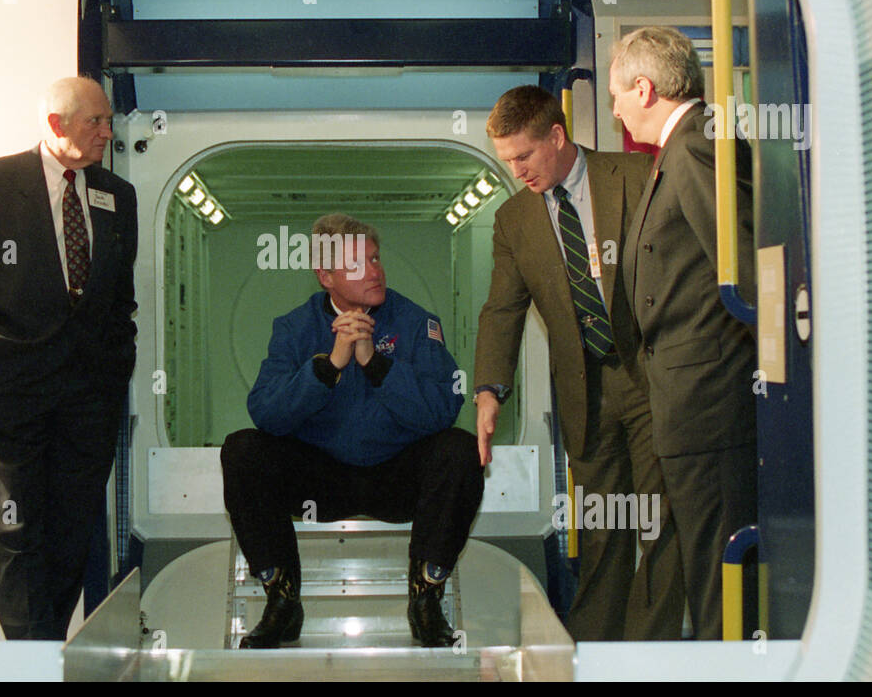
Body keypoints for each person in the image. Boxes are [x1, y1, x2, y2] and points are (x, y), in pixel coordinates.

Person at [473, 85, 685, 641]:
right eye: (506, 161)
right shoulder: (514, 220)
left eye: (524, 156)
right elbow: (502, 310)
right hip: (584, 393)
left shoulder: (637, 178)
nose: (516, 171)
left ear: (557, 136)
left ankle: (648, 655)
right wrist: (489, 391)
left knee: (659, 526)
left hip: (647, 379)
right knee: (601, 533)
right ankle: (591, 652)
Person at [221, 214, 483, 647]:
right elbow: (267, 414)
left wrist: (376, 363)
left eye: (376, 259)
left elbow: (442, 410)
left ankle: (425, 599)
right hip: (320, 483)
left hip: (397, 481)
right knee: (243, 450)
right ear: (325, 276)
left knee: (459, 450)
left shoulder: (418, 323)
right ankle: (281, 602)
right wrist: (329, 366)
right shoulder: (293, 327)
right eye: (359, 264)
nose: (375, 271)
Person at [0, 76, 137, 640]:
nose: (107, 132)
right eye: (95, 122)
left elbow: (119, 294)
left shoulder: (115, 195)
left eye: (107, 122)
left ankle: (48, 646)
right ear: (56, 124)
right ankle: (28, 656)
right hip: (13, 392)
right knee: (17, 526)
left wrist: (117, 361)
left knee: (73, 527)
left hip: (90, 395)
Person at [610, 26, 758, 640]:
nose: (615, 108)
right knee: (702, 561)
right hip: (688, 397)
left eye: (618, 94)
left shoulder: (695, 147)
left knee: (717, 563)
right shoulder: (682, 150)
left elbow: (744, 269)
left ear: (643, 89)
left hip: (709, 398)